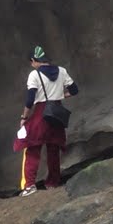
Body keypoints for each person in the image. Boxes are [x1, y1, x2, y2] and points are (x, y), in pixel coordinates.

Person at [16, 46, 78, 196]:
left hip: (41, 113)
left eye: (31, 62)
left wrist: (24, 117)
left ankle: (30, 185)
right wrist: (61, 96)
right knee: (53, 149)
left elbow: (30, 99)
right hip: (56, 112)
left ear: (34, 61)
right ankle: (53, 182)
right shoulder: (62, 71)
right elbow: (75, 90)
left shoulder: (34, 75)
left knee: (32, 148)